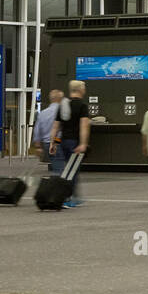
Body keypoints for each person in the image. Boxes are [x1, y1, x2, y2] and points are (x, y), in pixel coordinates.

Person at [49, 80, 90, 208]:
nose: (85, 90)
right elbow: (84, 126)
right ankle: (66, 198)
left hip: (63, 142)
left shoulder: (63, 105)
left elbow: (56, 127)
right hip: (74, 143)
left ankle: (74, 197)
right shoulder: (82, 106)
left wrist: (53, 143)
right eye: (84, 88)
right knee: (71, 171)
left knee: (70, 170)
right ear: (79, 90)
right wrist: (83, 143)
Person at [31, 89, 63, 163]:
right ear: (60, 99)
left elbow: (37, 131)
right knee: (59, 164)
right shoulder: (62, 112)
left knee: (53, 164)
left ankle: (54, 172)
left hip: (46, 143)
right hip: (58, 141)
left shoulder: (43, 113)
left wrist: (38, 146)